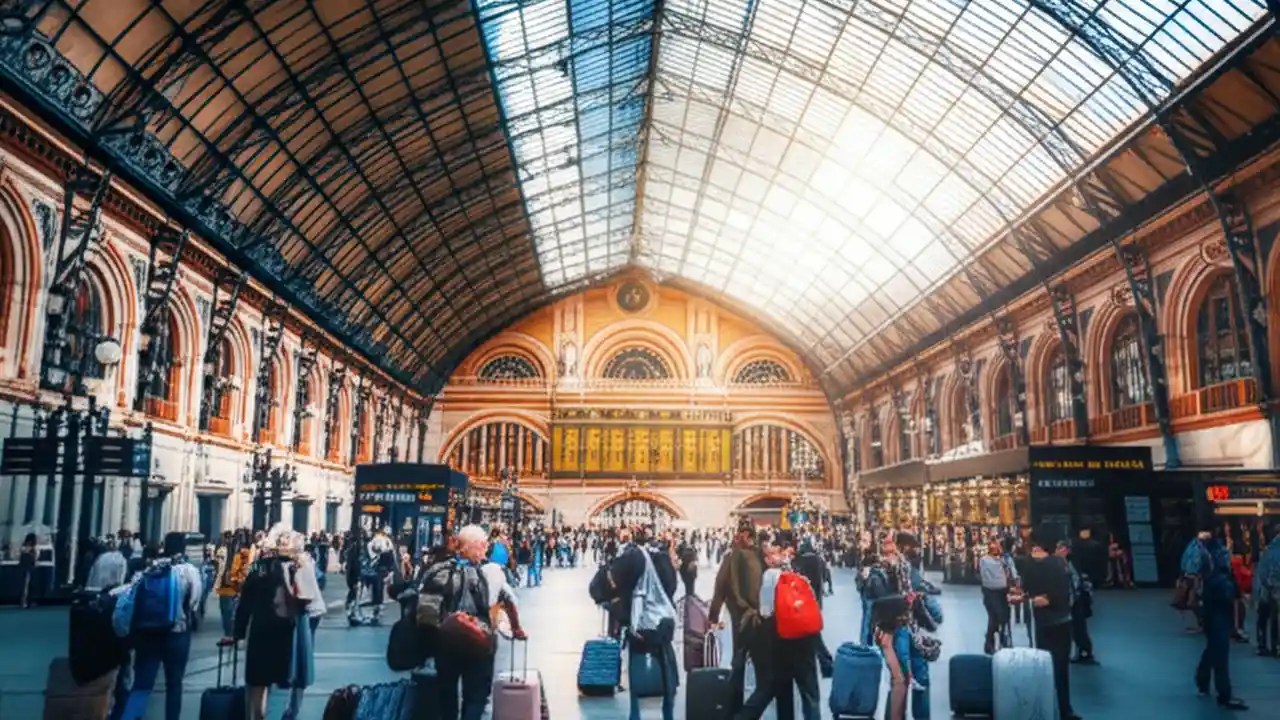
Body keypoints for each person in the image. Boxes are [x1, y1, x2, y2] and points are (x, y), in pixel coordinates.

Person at [113, 533, 203, 720]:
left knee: (142, 686)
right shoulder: (188, 571)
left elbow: (129, 601)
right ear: (183, 548)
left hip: (147, 634)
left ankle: (129, 717)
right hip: (177, 634)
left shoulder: (148, 570)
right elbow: (194, 602)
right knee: (174, 685)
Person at [421, 525, 503, 720]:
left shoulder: (439, 571)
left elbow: (426, 613)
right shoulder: (489, 574)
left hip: (446, 643)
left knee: (446, 693)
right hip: (478, 643)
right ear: (470, 547)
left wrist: (430, 644)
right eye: (482, 545)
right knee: (477, 696)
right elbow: (500, 605)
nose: (485, 549)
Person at [737, 536, 821, 720]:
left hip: (781, 640)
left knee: (783, 692)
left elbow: (766, 611)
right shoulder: (796, 572)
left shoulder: (769, 576)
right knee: (810, 694)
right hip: (804, 640)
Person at [603, 526, 679, 720]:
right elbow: (672, 585)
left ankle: (635, 713)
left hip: (641, 624)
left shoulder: (631, 558)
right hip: (664, 622)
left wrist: (617, 608)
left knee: (636, 663)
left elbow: (609, 585)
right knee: (665, 663)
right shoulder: (663, 557)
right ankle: (668, 712)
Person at [1016, 525, 1078, 720]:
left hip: (1040, 622)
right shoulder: (1059, 565)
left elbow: (1026, 589)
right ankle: (1065, 709)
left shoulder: (1027, 564)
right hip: (1061, 620)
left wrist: (1035, 599)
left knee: (1041, 666)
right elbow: (1065, 594)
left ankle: (1041, 709)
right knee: (1061, 667)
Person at [709, 520, 764, 714]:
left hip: (739, 616)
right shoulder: (759, 557)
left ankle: (736, 708)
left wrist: (713, 616)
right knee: (759, 661)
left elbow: (720, 587)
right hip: (759, 616)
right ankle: (755, 705)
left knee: (739, 661)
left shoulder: (731, 557)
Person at [1194, 528, 1249, 710]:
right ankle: (1224, 693)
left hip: (1207, 606)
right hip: (1218, 607)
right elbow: (1225, 586)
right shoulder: (1217, 558)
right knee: (1220, 649)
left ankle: (1202, 680)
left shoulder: (1198, 552)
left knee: (1213, 646)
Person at [793, 539, 833, 676]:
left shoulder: (800, 561)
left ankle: (825, 661)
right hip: (815, 600)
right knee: (813, 632)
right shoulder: (818, 559)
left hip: (803, 600)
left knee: (812, 634)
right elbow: (825, 576)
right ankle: (825, 661)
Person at [1056, 541, 1096, 664]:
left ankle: (1085, 652)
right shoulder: (1064, 563)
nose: (1058, 550)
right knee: (1075, 628)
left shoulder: (1069, 564)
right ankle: (1081, 651)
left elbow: (1075, 582)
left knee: (1078, 627)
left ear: (1067, 550)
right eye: (1058, 548)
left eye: (1061, 548)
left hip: (1075, 601)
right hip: (1071, 600)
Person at [873, 595, 912, 720]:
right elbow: (895, 667)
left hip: (893, 674)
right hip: (896, 676)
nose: (904, 618)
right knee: (899, 685)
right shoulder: (886, 636)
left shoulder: (883, 629)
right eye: (901, 615)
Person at [979, 540, 1012, 654]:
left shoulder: (1005, 560)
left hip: (1002, 592)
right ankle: (989, 642)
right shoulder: (985, 560)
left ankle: (998, 637)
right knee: (994, 617)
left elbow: (1011, 571)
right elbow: (985, 577)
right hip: (990, 592)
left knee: (1003, 616)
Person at [1256, 527, 1280, 656]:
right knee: (1275, 618)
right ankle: (1275, 645)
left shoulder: (1268, 551)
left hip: (1265, 589)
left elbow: (1262, 572)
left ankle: (1262, 644)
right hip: (1277, 589)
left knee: (1263, 617)